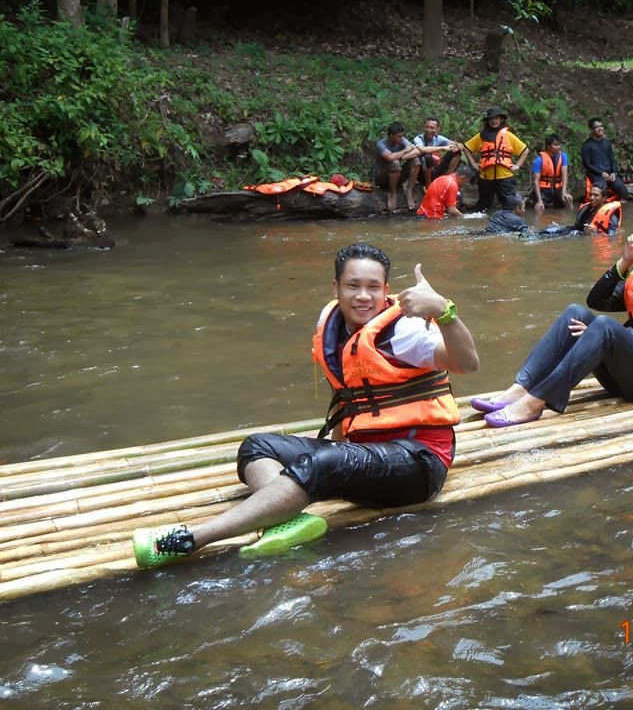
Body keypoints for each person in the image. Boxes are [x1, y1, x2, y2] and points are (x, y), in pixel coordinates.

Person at [132, 243, 480, 568]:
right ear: (336, 288)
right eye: (353, 286)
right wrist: (342, 452)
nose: (363, 296)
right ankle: (289, 520)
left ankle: (189, 539)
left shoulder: (405, 331)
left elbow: (468, 362)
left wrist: (443, 311)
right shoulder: (332, 324)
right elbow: (348, 400)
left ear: (386, 290)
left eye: (373, 287)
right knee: (257, 446)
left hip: (418, 462)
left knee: (322, 463)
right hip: (368, 454)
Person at [472, 216, 633, 427]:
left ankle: (534, 402)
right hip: (625, 378)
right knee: (575, 312)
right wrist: (625, 262)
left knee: (604, 326)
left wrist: (606, 333)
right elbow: (597, 300)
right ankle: (521, 387)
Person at [462, 107, 529, 213]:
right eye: (491, 119)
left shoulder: (508, 135)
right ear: (488, 121)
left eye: (496, 118)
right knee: (483, 207)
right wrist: (473, 163)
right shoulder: (481, 136)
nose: (493, 121)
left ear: (501, 120)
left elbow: (525, 150)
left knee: (510, 205)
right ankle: (481, 222)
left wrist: (518, 165)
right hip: (486, 176)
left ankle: (511, 219)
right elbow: (466, 148)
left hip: (505, 176)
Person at [374, 121, 421, 212]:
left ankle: (409, 191)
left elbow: (416, 152)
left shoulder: (402, 140)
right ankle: (392, 193)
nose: (402, 138)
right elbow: (390, 158)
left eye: (402, 136)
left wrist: (400, 157)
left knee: (416, 161)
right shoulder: (381, 144)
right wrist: (405, 151)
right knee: (395, 163)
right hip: (381, 178)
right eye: (399, 136)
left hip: (397, 173)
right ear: (391, 136)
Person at [580, 117, 629, 202]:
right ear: (592, 130)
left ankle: (618, 207)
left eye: (601, 126)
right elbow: (587, 164)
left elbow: (612, 159)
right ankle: (601, 208)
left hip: (609, 173)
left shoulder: (607, 143)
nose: (600, 128)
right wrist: (601, 173)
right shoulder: (587, 146)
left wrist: (614, 172)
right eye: (596, 127)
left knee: (623, 191)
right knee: (601, 192)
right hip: (596, 174)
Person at [412, 117, 462, 187]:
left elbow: (458, 145)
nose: (429, 130)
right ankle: (428, 186)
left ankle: (446, 180)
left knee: (456, 152)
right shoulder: (419, 139)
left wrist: (456, 146)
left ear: (437, 129)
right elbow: (422, 149)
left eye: (432, 128)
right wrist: (442, 148)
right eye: (427, 127)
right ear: (424, 127)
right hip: (421, 173)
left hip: (434, 170)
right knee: (427, 157)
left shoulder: (438, 138)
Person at [530, 134, 574, 211]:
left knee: (568, 201)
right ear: (548, 146)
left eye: (559, 145)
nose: (559, 147)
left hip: (558, 189)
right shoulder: (539, 160)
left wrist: (564, 192)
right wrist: (540, 201)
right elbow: (536, 181)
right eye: (555, 145)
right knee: (539, 208)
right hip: (543, 191)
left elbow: (564, 176)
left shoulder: (563, 157)